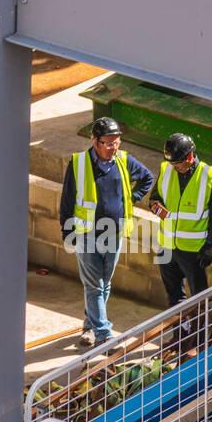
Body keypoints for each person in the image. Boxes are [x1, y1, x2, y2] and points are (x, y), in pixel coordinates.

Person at [59, 116, 154, 348]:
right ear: (95, 142)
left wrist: (132, 197)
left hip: (115, 232)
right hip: (87, 234)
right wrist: (66, 232)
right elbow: (67, 199)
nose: (113, 147)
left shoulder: (123, 160)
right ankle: (104, 334)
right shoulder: (79, 163)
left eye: (116, 141)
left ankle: (90, 327)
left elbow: (147, 178)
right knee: (94, 284)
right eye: (108, 142)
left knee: (105, 283)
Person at [150, 132, 212, 353]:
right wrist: (158, 208)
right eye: (172, 163)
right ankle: (180, 337)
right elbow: (154, 199)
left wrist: (208, 246)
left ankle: (199, 342)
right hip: (167, 246)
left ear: (190, 157)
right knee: (174, 296)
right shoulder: (166, 170)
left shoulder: (209, 176)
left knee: (199, 299)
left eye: (179, 163)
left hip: (193, 251)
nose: (175, 168)